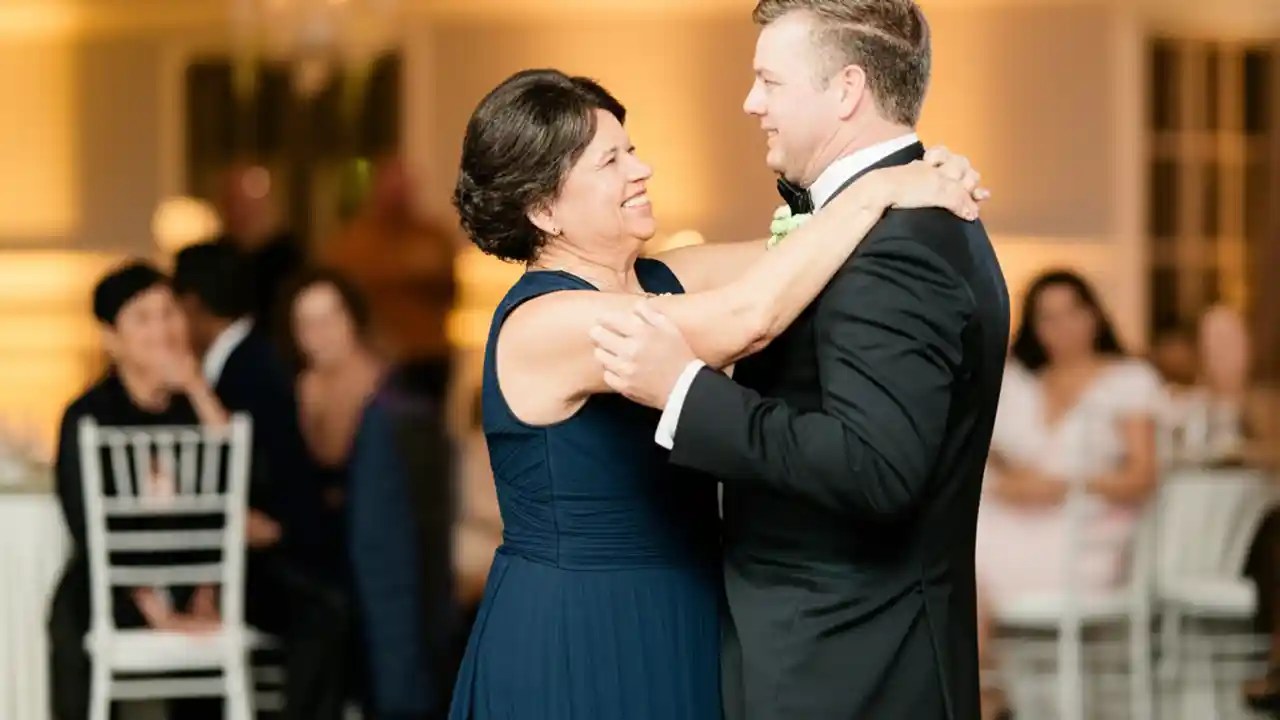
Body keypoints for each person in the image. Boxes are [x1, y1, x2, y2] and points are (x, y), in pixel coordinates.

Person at [448, 67, 986, 720]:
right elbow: (747, 319)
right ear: (544, 208)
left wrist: (926, 180)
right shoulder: (546, 322)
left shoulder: (662, 277)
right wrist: (878, 191)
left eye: (632, 148)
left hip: (687, 605)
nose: (641, 169)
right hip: (581, 625)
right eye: (611, 160)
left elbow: (813, 256)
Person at [591, 2, 1010, 718]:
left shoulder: (898, 250)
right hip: (840, 649)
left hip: (848, 662)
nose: (752, 103)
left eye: (769, 81)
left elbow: (876, 468)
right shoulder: (884, 221)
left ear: (847, 90)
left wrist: (686, 393)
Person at [172, 243, 350, 720]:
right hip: (276, 556)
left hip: (279, 557)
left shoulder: (246, 371)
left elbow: (263, 482)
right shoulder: (250, 360)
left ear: (190, 305)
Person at [974, 271, 1161, 718]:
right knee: (950, 554)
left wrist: (1063, 487)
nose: (1063, 326)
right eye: (1048, 317)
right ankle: (986, 694)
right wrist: (1018, 478)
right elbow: (992, 449)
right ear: (1034, 326)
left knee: (963, 571)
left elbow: (1143, 474)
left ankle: (985, 697)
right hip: (1014, 519)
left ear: (1093, 313)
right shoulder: (1019, 381)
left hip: (1083, 535)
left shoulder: (1128, 379)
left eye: (1072, 312)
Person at [48, 262, 228, 720]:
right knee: (69, 621)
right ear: (111, 337)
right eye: (143, 318)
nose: (163, 329)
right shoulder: (87, 415)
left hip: (193, 574)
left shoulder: (198, 405)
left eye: (168, 313)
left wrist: (197, 388)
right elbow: (87, 525)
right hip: (115, 581)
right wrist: (155, 610)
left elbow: (231, 492)